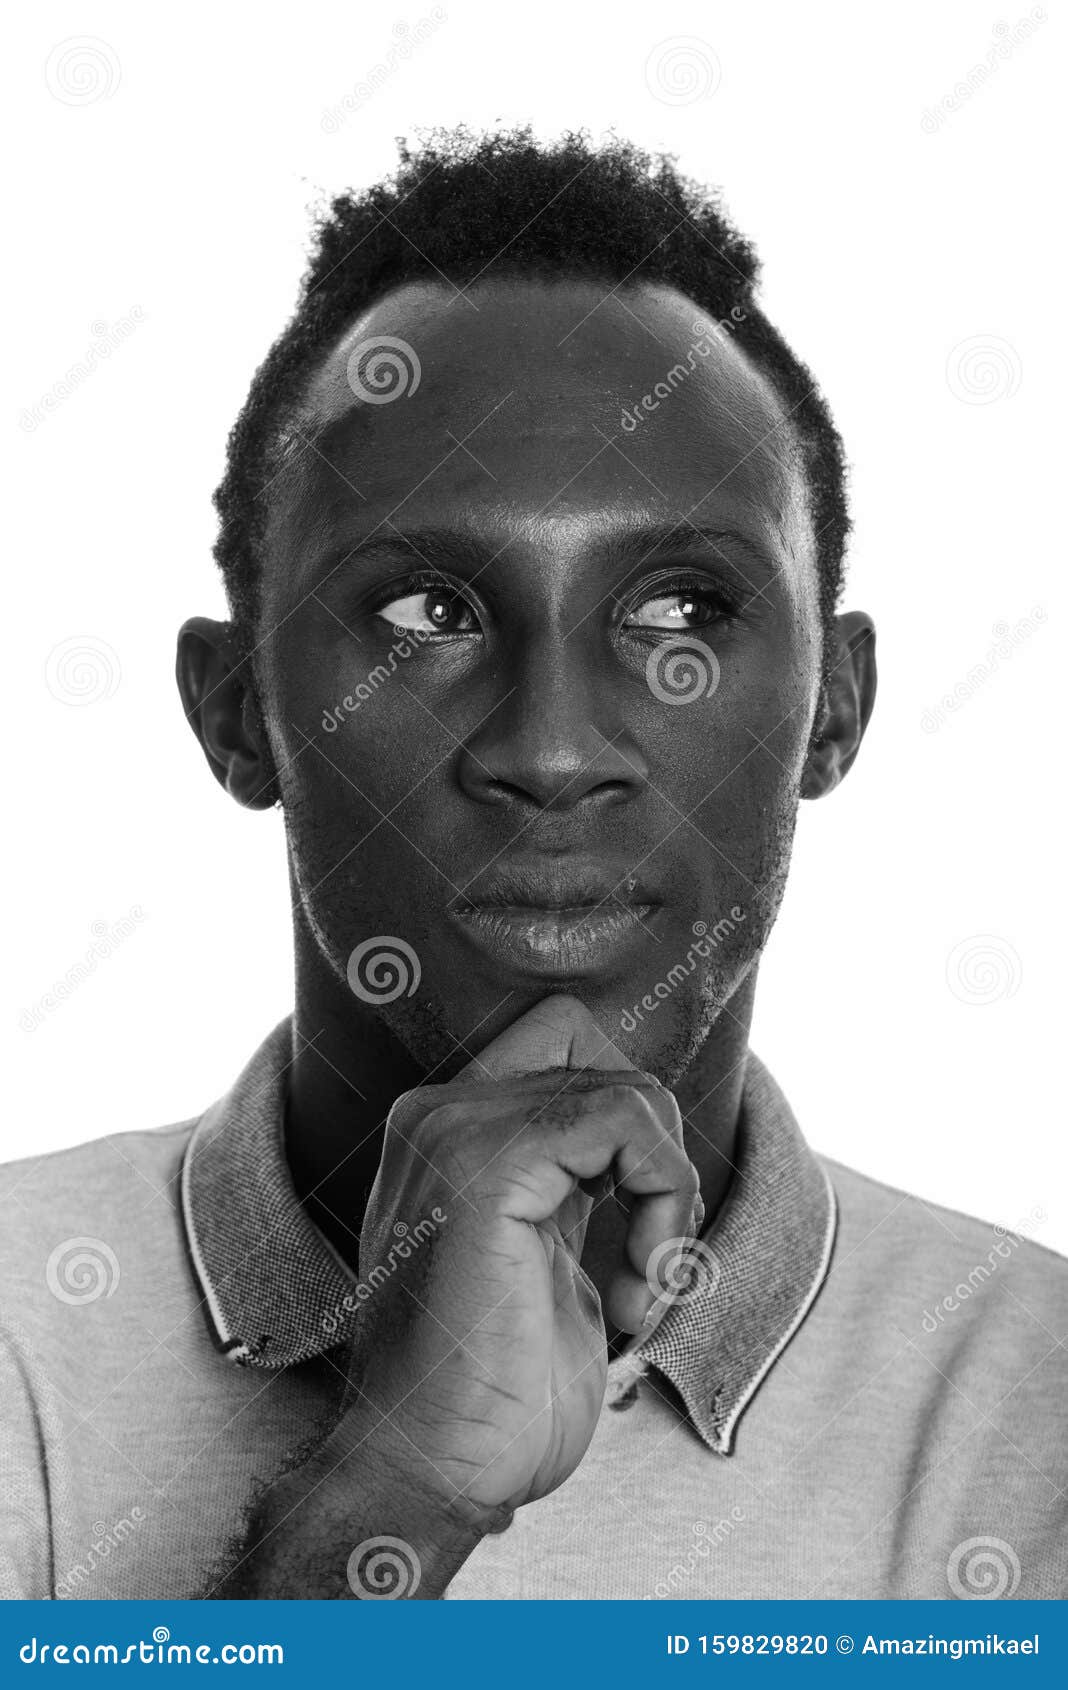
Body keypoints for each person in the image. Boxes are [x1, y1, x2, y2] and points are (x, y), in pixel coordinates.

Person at [3, 130, 1064, 1602]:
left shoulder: (1033, 1397)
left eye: (681, 607)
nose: (553, 748)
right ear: (237, 711)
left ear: (838, 706)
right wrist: (392, 1489)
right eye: (430, 611)